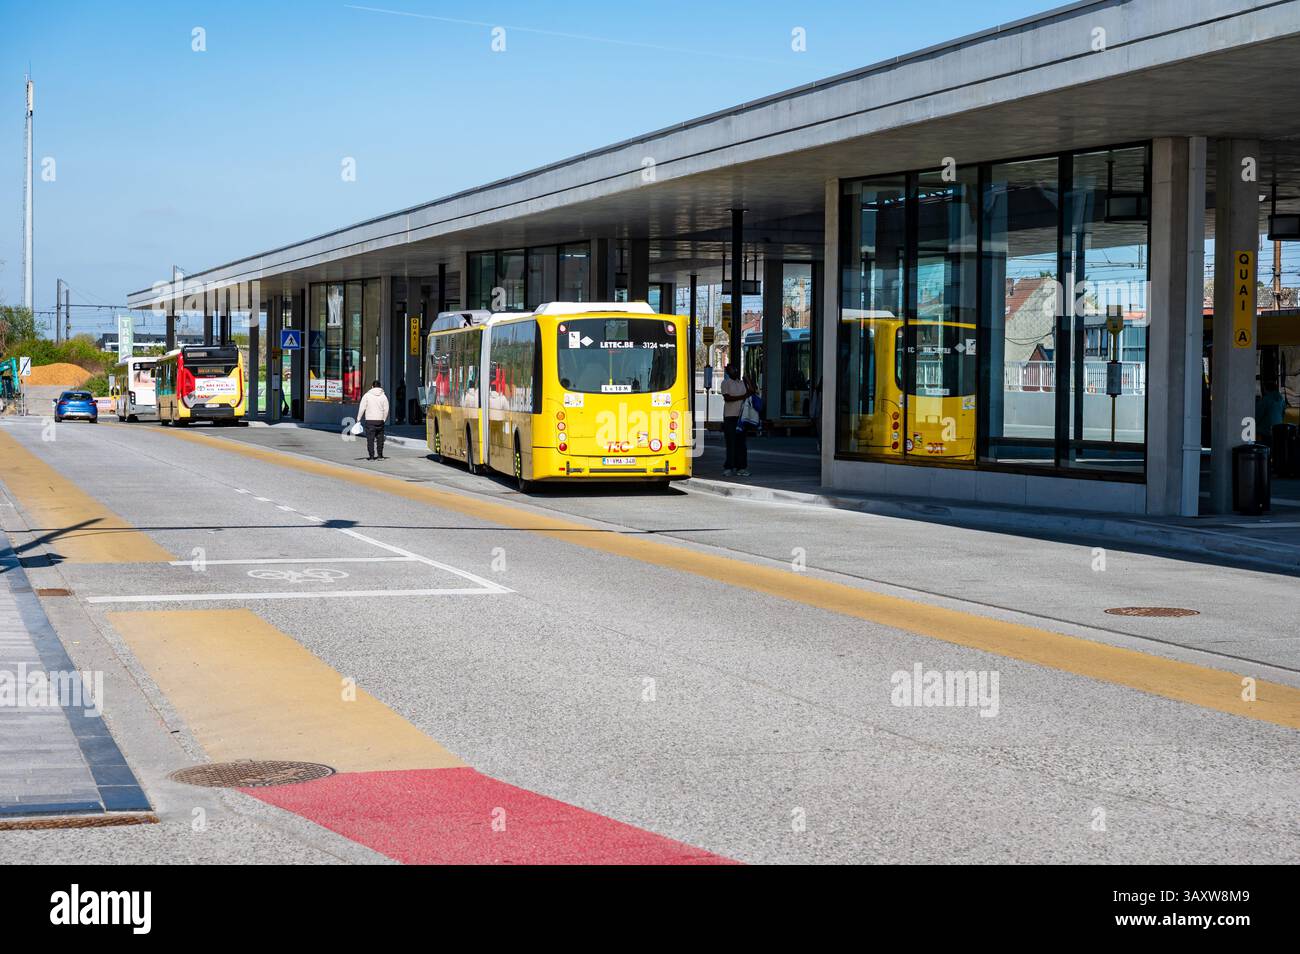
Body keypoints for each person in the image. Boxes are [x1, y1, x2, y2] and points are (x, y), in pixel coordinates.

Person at [719, 363, 753, 477]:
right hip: (730, 417)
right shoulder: (725, 383)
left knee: (741, 444)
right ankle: (729, 467)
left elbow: (752, 392)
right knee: (731, 443)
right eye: (731, 370)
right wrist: (743, 396)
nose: (734, 371)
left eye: (735, 369)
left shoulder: (742, 382)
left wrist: (747, 380)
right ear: (728, 373)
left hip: (742, 417)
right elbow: (727, 398)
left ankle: (742, 467)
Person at [357, 379, 390, 460]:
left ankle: (371, 457)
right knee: (380, 439)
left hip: (370, 421)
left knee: (370, 440)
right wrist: (384, 419)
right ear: (380, 387)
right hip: (380, 421)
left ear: (372, 387)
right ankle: (380, 456)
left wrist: (358, 419)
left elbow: (362, 408)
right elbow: (386, 409)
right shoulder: (383, 396)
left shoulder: (367, 395)